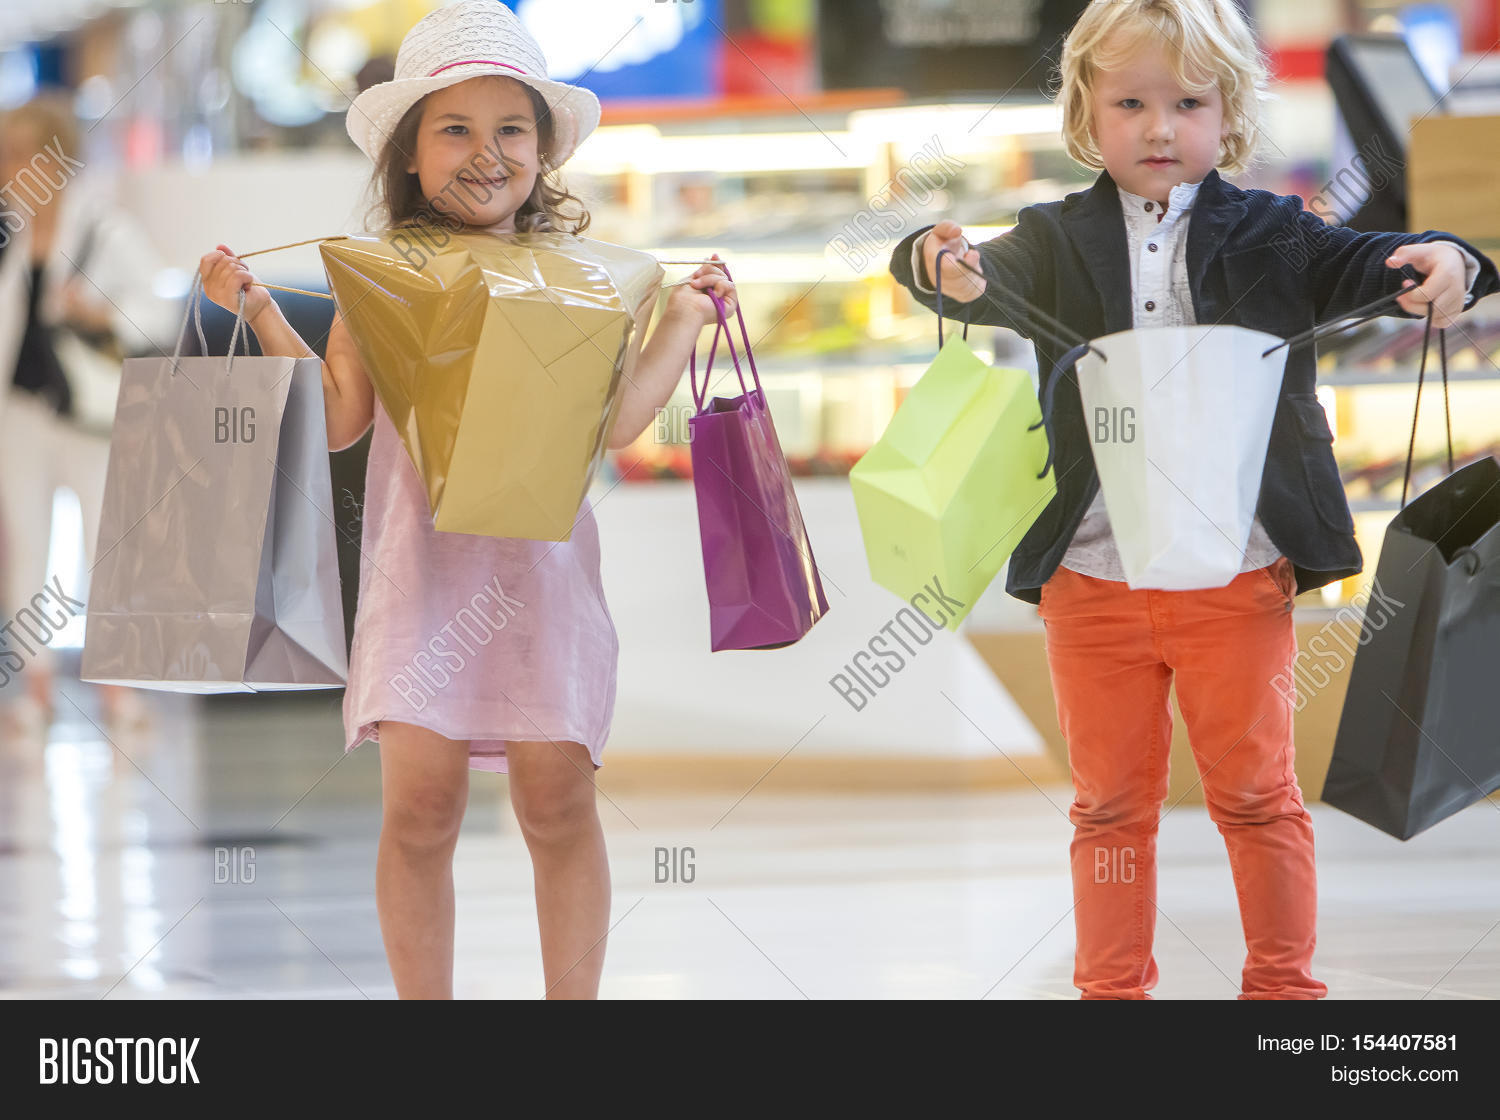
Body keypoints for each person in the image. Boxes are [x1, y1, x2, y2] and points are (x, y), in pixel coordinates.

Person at [891, 0, 1497, 998]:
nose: (1160, 127)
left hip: (1238, 570)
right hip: (1096, 575)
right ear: (1087, 110)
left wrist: (1452, 258)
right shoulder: (1050, 237)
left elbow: (1378, 258)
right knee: (1109, 805)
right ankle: (1113, 990)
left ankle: (1280, 990)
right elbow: (968, 274)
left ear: (1230, 117)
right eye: (1130, 102)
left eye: (1188, 103)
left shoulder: (1273, 234)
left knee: (1259, 793)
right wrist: (931, 258)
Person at [197, 1, 734, 1000]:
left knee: (559, 804)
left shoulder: (584, 279)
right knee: (420, 812)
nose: (485, 154)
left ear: (542, 149)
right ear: (406, 155)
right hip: (422, 585)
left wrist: (682, 323)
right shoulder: (381, 280)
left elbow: (615, 424)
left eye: (510, 130)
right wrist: (265, 313)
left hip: (543, 581)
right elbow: (342, 420)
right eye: (455, 129)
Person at [0, 93, 177, 733]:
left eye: (19, 154)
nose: (8, 168)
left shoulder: (104, 229)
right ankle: (36, 687)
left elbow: (159, 312)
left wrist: (99, 313)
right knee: (25, 548)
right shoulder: (8, 235)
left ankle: (118, 687)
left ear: (54, 158)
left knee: (111, 544)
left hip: (89, 415)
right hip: (19, 414)